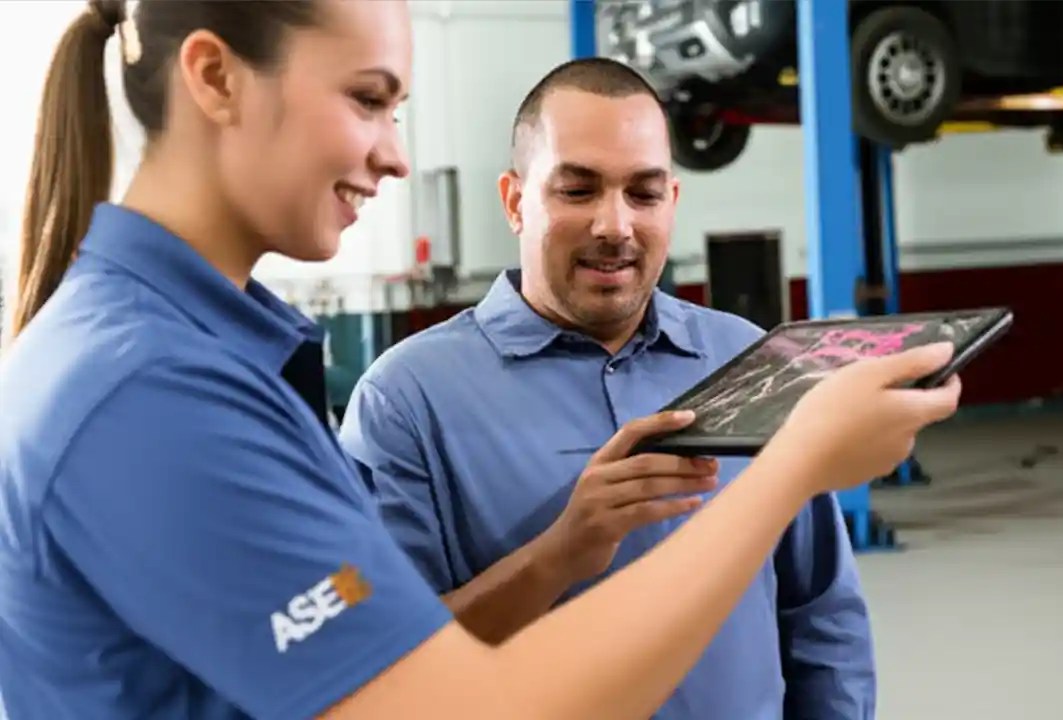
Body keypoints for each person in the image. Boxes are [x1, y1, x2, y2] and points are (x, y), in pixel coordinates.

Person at [0, 2, 962, 719]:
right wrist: (793, 463)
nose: (395, 157)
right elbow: (461, 700)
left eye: (646, 191)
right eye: (367, 100)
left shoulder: (204, 359)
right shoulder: (155, 394)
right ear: (213, 77)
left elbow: (819, 617)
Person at [338, 58, 877, 719]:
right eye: (578, 190)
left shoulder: (748, 359)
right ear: (515, 201)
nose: (615, 226)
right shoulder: (405, 401)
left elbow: (821, 608)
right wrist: (559, 554)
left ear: (671, 203)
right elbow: (386, 669)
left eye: (643, 194)